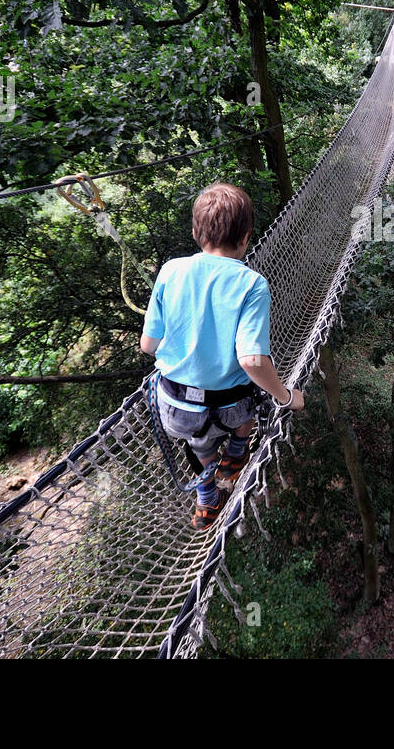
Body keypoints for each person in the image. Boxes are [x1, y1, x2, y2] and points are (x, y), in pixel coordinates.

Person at [140, 182, 305, 530]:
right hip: (231, 409)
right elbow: (253, 361)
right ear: (246, 236)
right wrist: (287, 397)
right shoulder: (252, 284)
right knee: (251, 396)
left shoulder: (170, 270)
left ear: (196, 232)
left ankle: (206, 496)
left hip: (176, 409)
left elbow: (148, 345)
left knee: (199, 443)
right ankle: (236, 450)